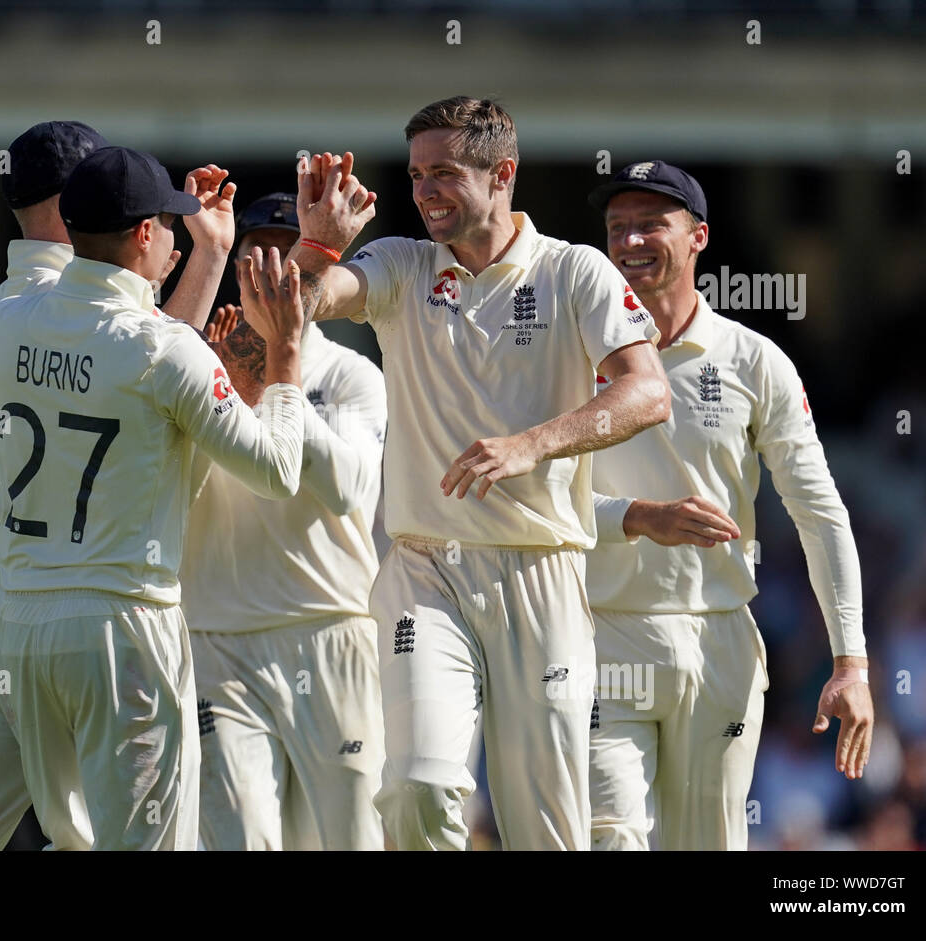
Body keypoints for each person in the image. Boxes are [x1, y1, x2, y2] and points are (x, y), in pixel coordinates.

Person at [286, 96, 671, 850]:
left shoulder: (575, 271)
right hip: (425, 570)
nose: (425, 190)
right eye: (417, 174)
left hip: (542, 574)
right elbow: (294, 315)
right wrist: (315, 248)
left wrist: (533, 444)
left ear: (502, 174)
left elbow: (648, 391)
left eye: (445, 174)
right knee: (418, 789)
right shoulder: (400, 265)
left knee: (546, 832)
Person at [0, 145, 308, 850]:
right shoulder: (163, 350)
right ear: (144, 235)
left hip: (19, 621)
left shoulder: (5, 314)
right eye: (170, 226)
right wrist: (287, 360)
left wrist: (210, 253)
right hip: (122, 626)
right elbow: (276, 468)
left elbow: (124, 358)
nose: (179, 240)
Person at [0, 122, 238, 850]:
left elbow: (146, 374)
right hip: (96, 615)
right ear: (72, 207)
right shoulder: (67, 300)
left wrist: (206, 255)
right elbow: (155, 373)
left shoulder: (11, 304)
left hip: (5, 607)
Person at [584, 160, 871, 850]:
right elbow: (536, 497)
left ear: (698, 237)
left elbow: (818, 510)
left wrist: (852, 662)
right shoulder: (571, 350)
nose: (629, 241)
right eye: (617, 227)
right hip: (600, 634)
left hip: (719, 641)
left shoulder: (753, 359)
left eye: (651, 223)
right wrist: (639, 517)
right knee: (608, 837)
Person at [180, 193, 388, 850]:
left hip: (332, 633)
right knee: (243, 839)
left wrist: (278, 383)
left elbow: (349, 487)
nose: (274, 270)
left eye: (288, 252)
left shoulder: (352, 373)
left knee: (352, 838)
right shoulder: (197, 365)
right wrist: (231, 399)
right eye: (256, 254)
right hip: (220, 643)